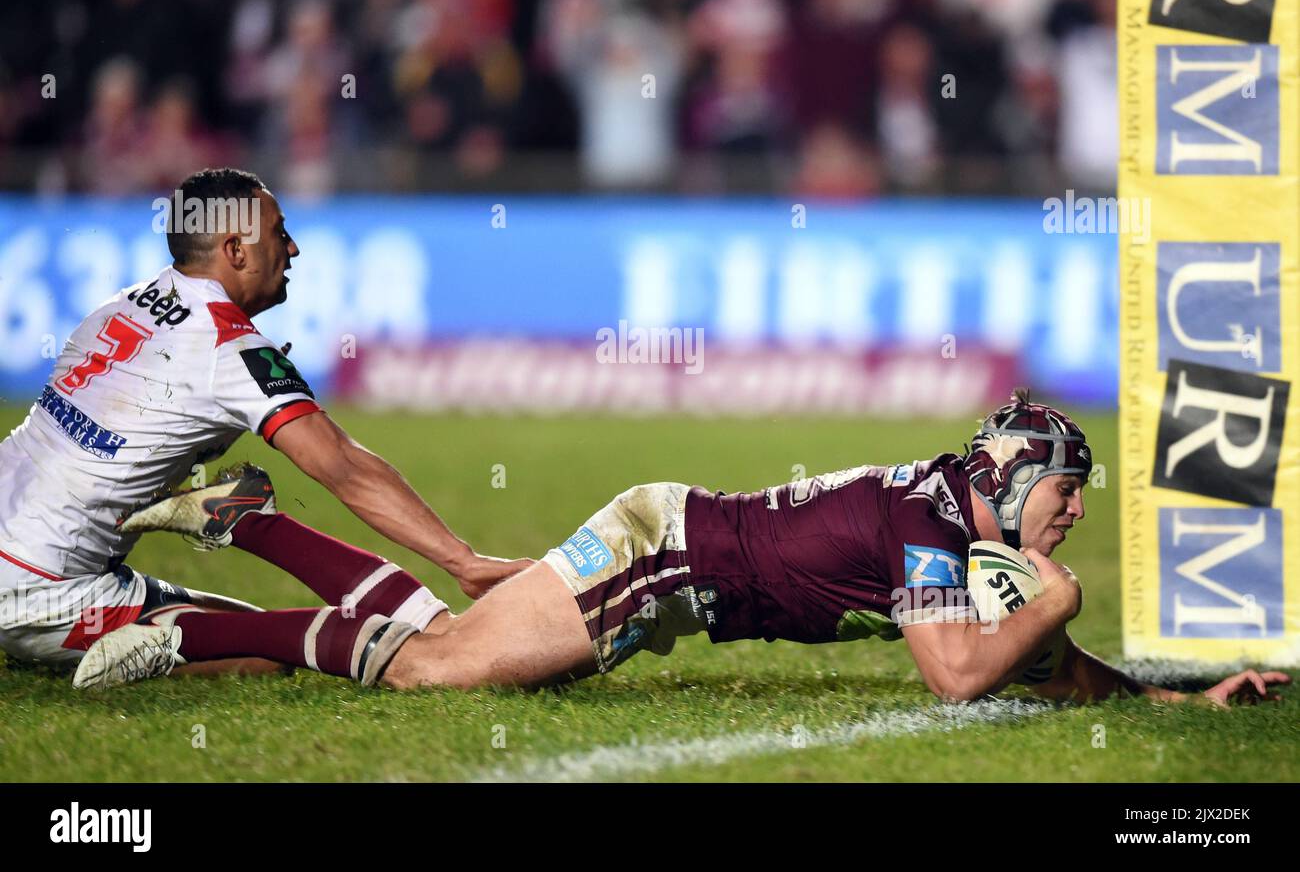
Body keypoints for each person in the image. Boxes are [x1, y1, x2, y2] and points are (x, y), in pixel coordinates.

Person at [76, 390, 1288, 706]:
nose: (1071, 515)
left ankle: (247, 521)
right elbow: (965, 673)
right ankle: (193, 618)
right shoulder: (931, 529)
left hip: (673, 553)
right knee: (432, 665)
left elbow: (1034, 663)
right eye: (1064, 495)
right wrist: (1057, 597)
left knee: (447, 635)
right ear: (1015, 478)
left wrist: (1170, 702)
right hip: (663, 555)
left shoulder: (956, 529)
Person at [0, 167, 527, 681]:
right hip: (43, 590)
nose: (292, 248)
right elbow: (342, 466)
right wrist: (462, 560)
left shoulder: (121, 305)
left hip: (22, 546)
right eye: (279, 233)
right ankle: (168, 634)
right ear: (235, 250)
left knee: (245, 626)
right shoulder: (229, 348)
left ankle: (215, 551)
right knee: (275, 652)